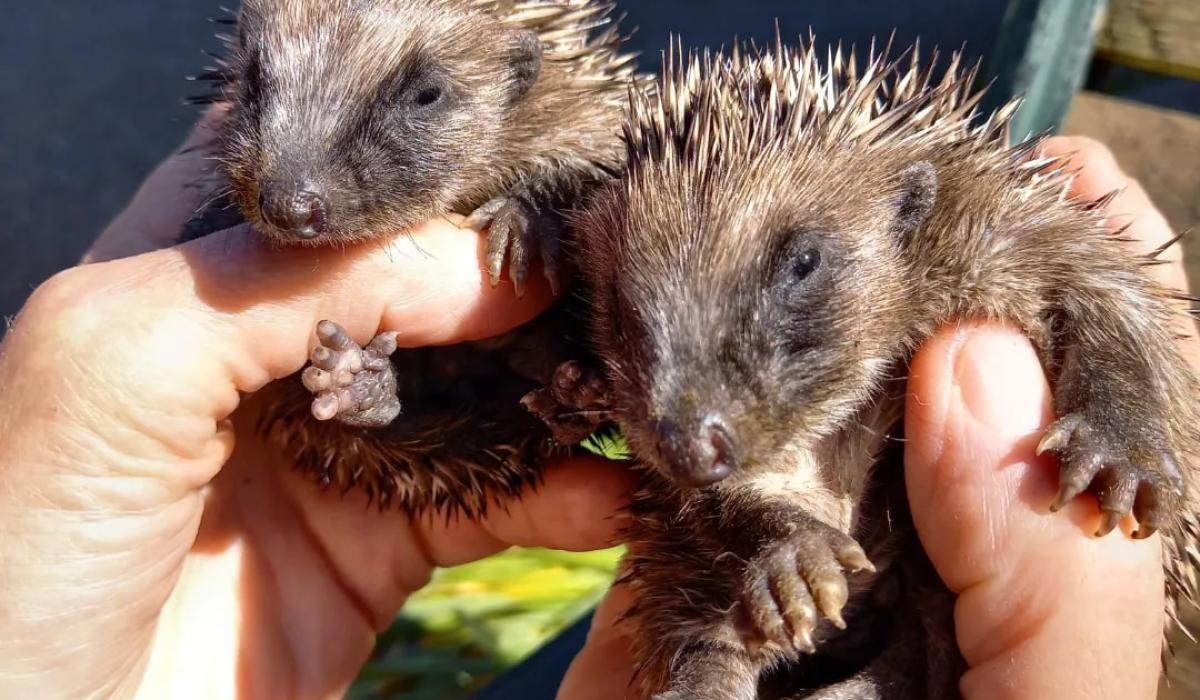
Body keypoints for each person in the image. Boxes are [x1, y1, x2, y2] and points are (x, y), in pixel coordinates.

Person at [0, 108, 1186, 699]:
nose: (677, 417)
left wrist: (1125, 419)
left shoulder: (971, 222)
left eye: (800, 275)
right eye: (631, 332)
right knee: (695, 569)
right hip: (758, 563)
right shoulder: (608, 326)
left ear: (912, 211)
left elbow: (1105, 297)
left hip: (911, 605)